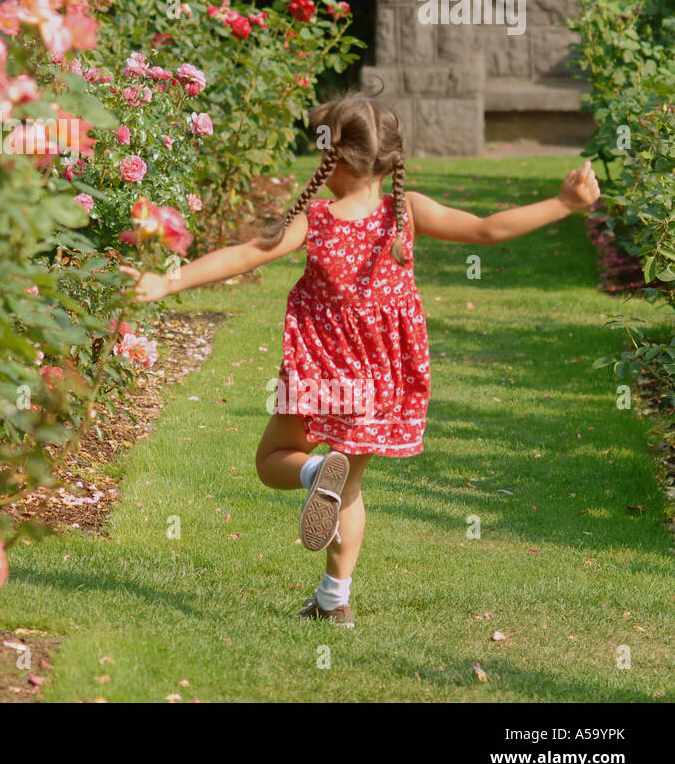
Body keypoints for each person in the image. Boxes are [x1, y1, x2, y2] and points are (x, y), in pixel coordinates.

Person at [122, 92, 600, 627]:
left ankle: (308, 474)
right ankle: (335, 600)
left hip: (322, 368)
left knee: (274, 460)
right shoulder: (408, 211)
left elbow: (247, 254)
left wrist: (168, 280)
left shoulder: (318, 218)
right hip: (383, 376)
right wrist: (565, 204)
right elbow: (487, 230)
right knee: (347, 485)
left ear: (338, 160)